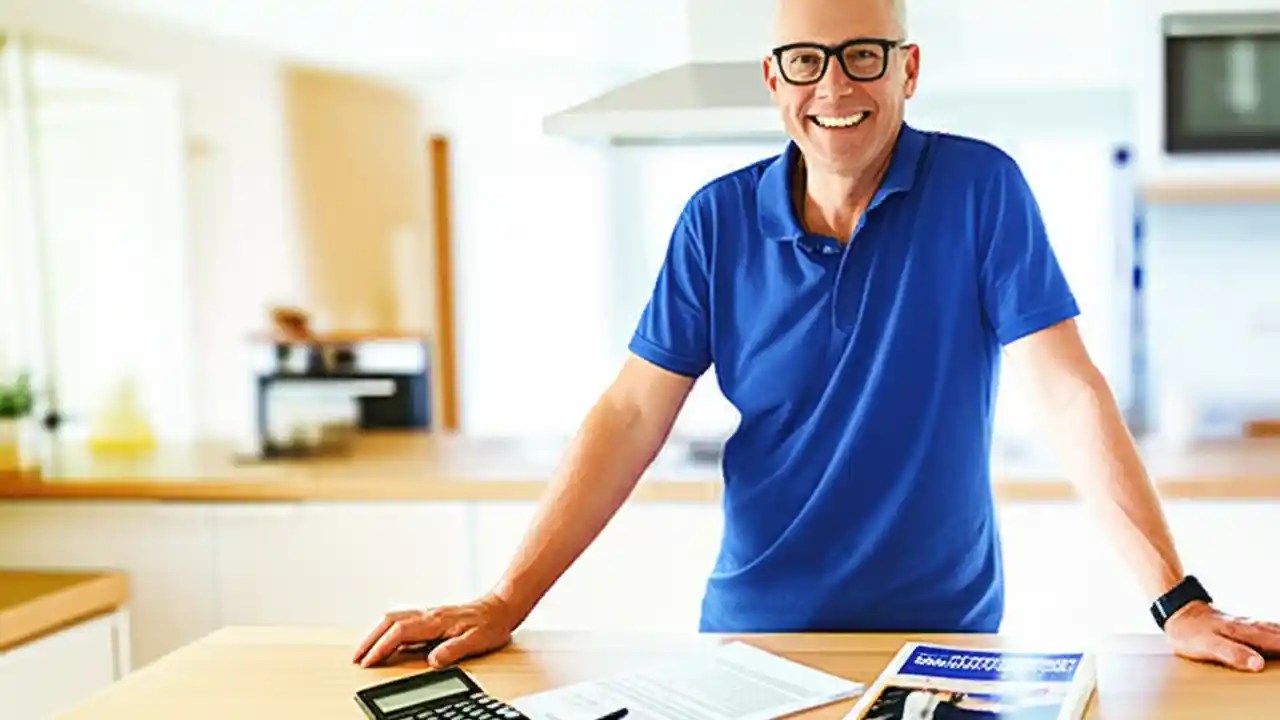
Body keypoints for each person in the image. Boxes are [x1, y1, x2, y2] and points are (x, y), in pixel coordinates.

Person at [354, 0, 1280, 673]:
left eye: (864, 55)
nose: (834, 85)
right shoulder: (714, 222)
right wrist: (507, 598)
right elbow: (634, 414)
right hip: (756, 637)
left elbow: (1069, 393)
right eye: (805, 59)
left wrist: (1176, 601)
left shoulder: (981, 189)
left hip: (945, 642)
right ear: (774, 78)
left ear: (908, 70)